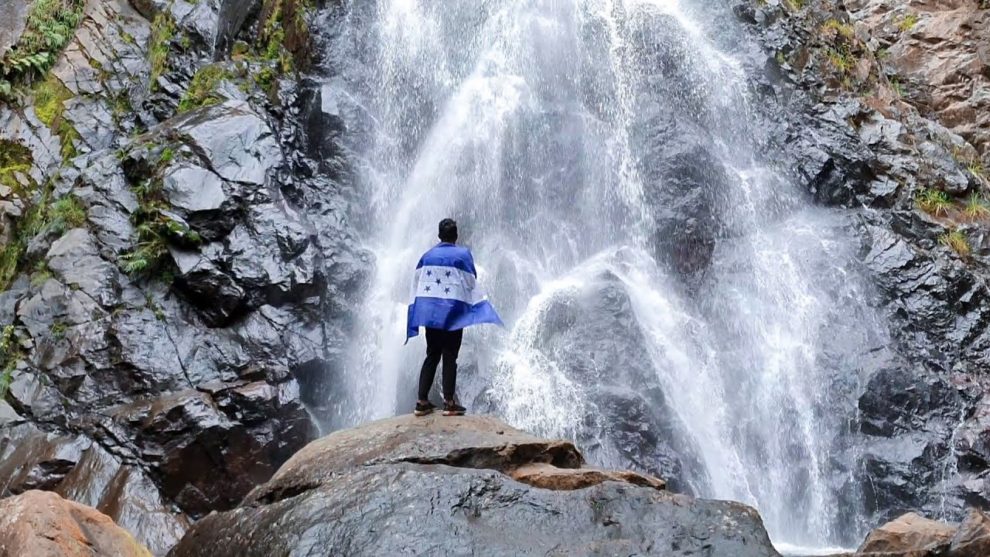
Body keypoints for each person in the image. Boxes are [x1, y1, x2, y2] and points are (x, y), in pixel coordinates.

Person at [407, 218, 503, 417]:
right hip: (452, 313)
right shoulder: (463, 255)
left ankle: (421, 402)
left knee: (432, 354)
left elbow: (417, 283)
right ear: (456, 235)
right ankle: (449, 403)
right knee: (450, 355)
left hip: (431, 314)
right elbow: (470, 281)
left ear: (439, 235)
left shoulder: (426, 256)